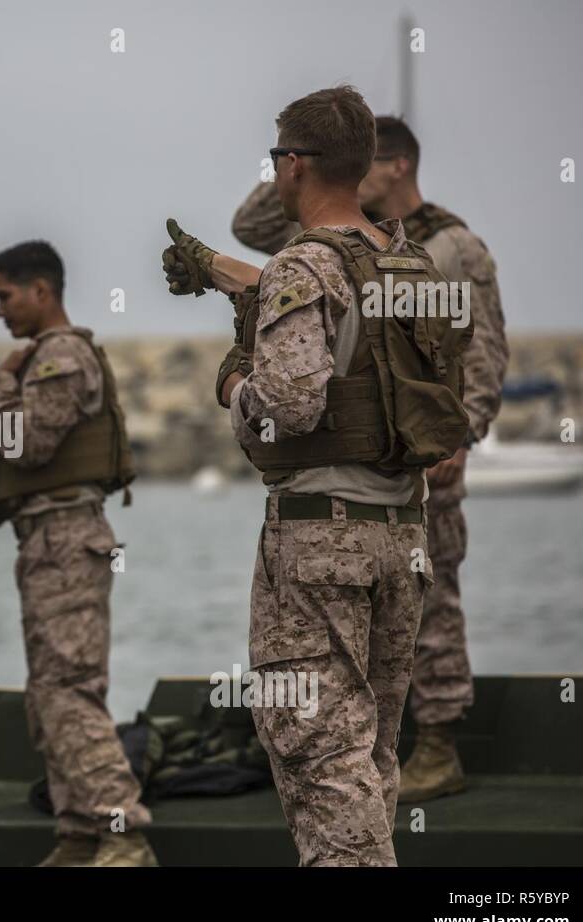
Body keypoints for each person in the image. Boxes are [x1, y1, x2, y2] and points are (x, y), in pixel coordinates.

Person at [162, 86, 471, 865]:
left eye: (276, 159)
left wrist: (234, 384)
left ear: (293, 165)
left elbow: (287, 407)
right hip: (401, 538)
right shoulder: (410, 261)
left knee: (321, 758)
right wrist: (238, 282)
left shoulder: (305, 265)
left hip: (319, 545)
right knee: (368, 757)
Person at [229, 116, 511, 803]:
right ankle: (369, 759)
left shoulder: (445, 248)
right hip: (354, 456)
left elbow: (484, 349)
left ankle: (438, 743)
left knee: (434, 599)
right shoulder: (343, 246)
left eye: (376, 164)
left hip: (421, 455)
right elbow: (249, 224)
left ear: (402, 167)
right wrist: (305, 160)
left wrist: (461, 436)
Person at [0, 240, 154, 867]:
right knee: (49, 691)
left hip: (65, 539)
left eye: (5, 295)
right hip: (47, 540)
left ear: (41, 291)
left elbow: (27, 443)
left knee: (68, 691)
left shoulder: (61, 357)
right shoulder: (46, 357)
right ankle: (79, 833)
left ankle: (122, 832)